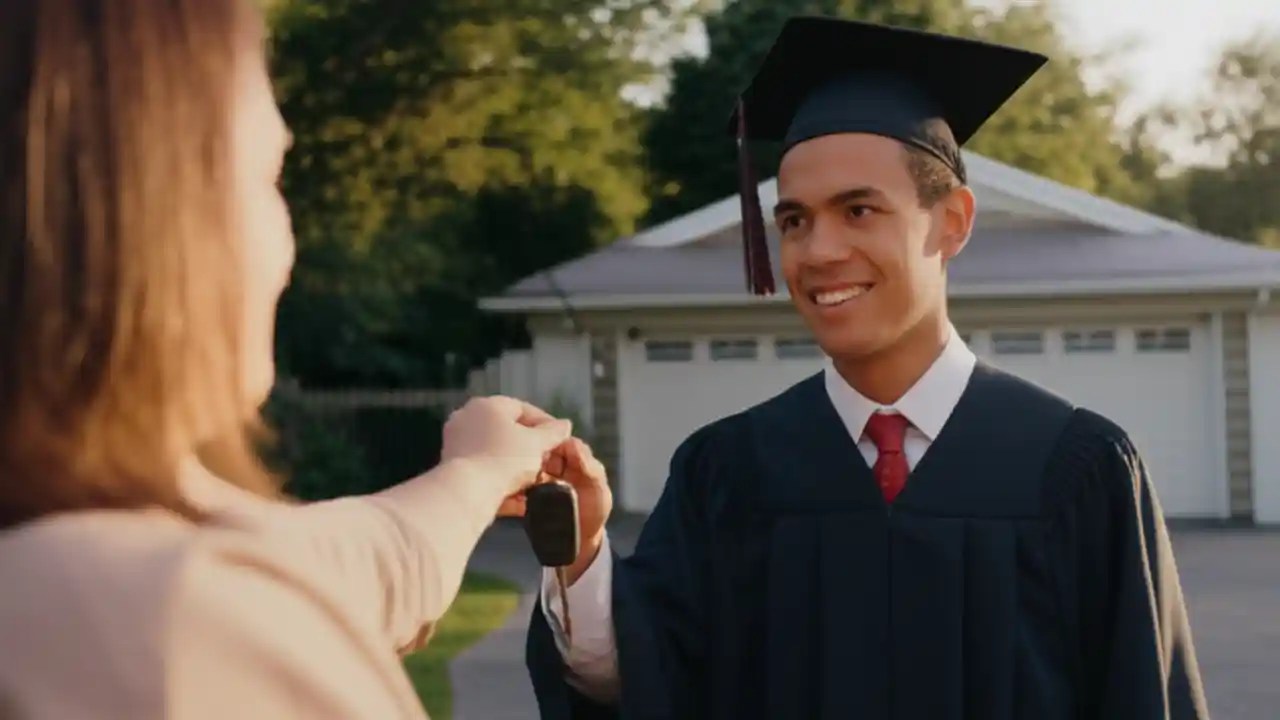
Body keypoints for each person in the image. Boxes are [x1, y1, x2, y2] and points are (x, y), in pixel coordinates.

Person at [525, 16, 1211, 720]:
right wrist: (578, 555)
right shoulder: (726, 474)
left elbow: (1142, 698)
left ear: (951, 222)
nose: (818, 250)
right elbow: (639, 684)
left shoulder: (1077, 469)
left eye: (858, 210)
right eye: (793, 221)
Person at [0, 1, 574, 717]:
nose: (285, 246)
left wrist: (474, 477)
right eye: (272, 175)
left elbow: (342, 559)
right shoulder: (167, 624)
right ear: (142, 208)